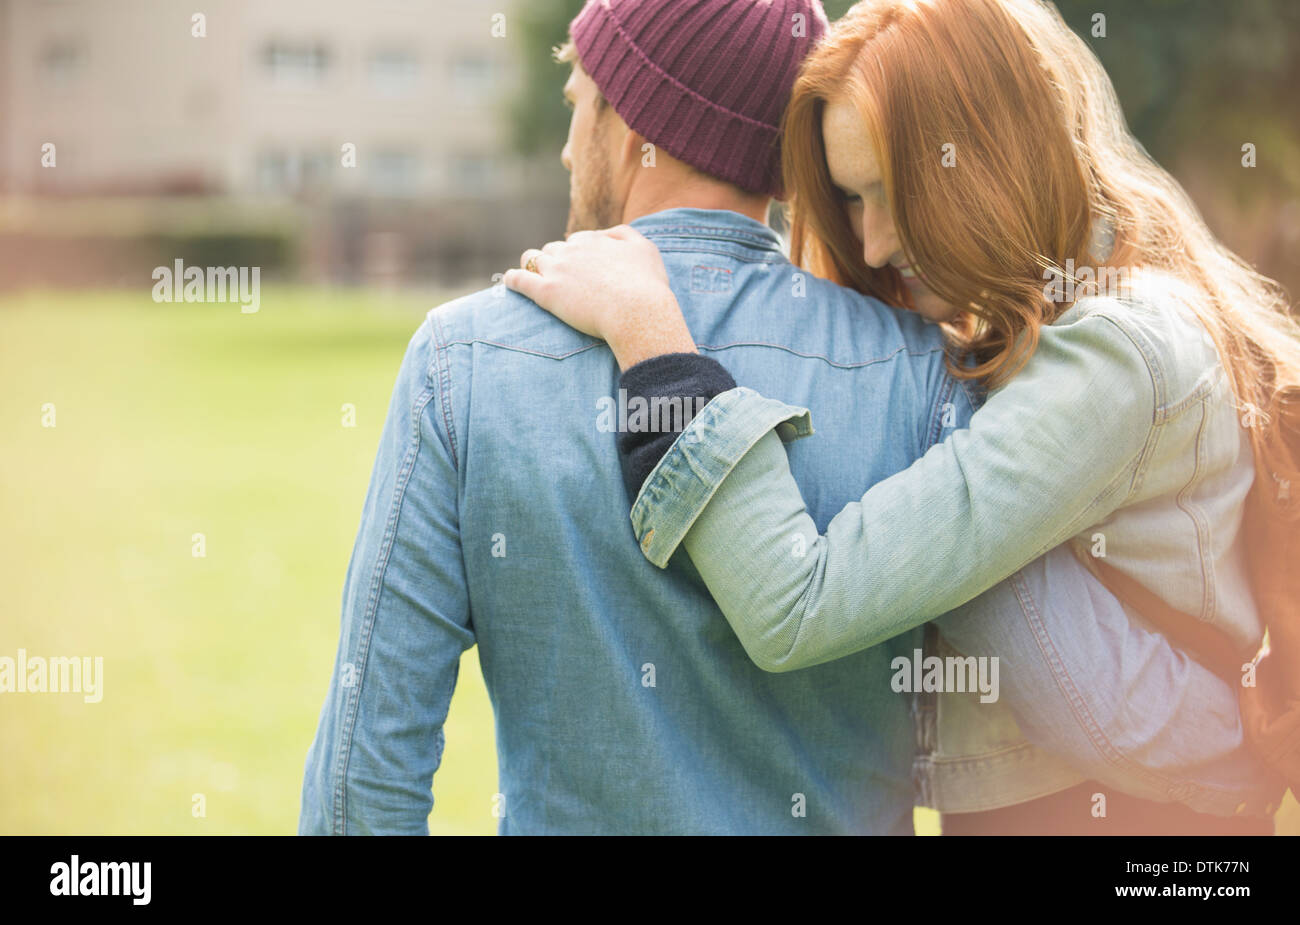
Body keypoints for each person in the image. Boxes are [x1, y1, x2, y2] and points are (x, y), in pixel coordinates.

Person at [300, 0, 1277, 836]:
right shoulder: (928, 368)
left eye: (574, 106)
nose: (874, 240)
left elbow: (365, 770)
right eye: (854, 199)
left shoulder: (462, 362)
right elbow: (1054, 666)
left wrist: (656, 338)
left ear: (632, 119)